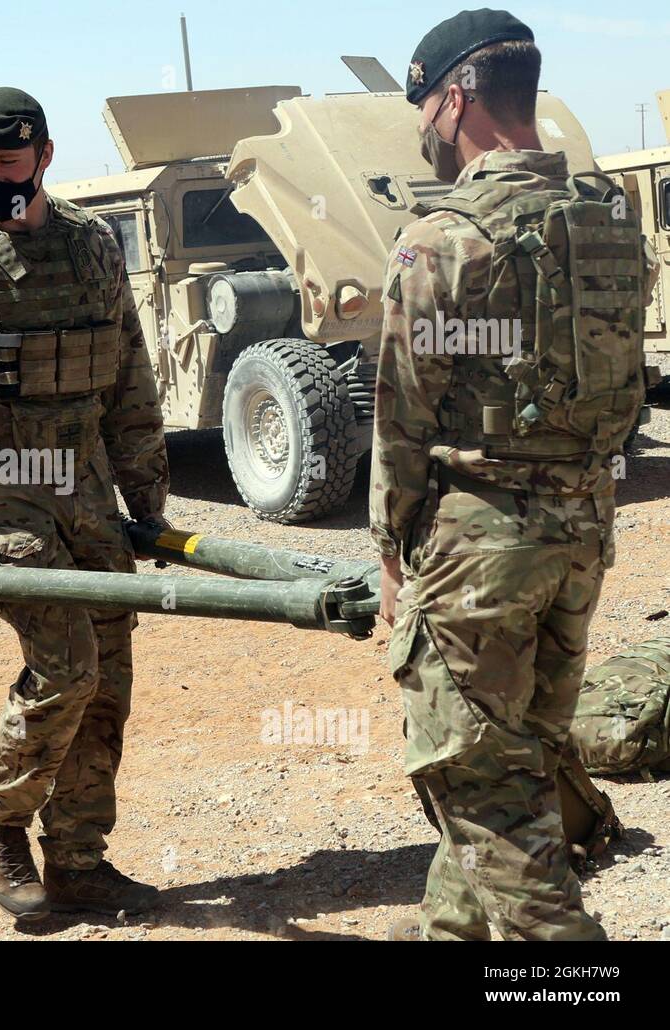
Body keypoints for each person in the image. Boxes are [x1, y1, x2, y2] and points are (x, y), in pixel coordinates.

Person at [373, 9, 657, 940]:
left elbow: (403, 420)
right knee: (517, 757)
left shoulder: (441, 241)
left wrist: (390, 549)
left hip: (479, 553)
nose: (423, 125)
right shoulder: (612, 225)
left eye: (425, 105)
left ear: (455, 100)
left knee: (481, 787)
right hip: (581, 536)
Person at [0, 86, 170, 922]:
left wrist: (147, 496)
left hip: (85, 486)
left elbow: (129, 373)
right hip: (4, 492)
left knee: (110, 677)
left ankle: (81, 861)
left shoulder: (92, 246)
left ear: (45, 157)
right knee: (67, 669)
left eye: (6, 163)